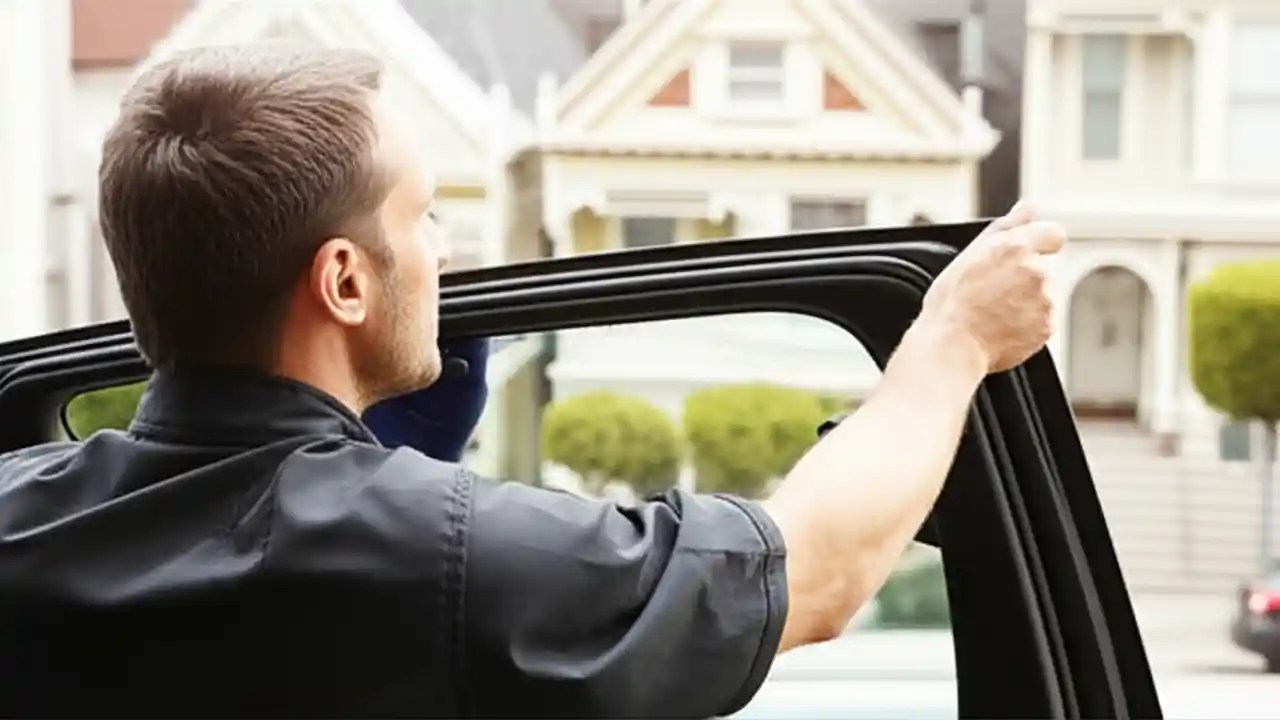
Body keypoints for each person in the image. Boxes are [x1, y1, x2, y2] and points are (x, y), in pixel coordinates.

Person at [0, 44, 1064, 717]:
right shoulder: (451, 555)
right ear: (343, 281)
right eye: (422, 218)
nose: (444, 254)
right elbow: (815, 575)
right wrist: (957, 339)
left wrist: (385, 457)